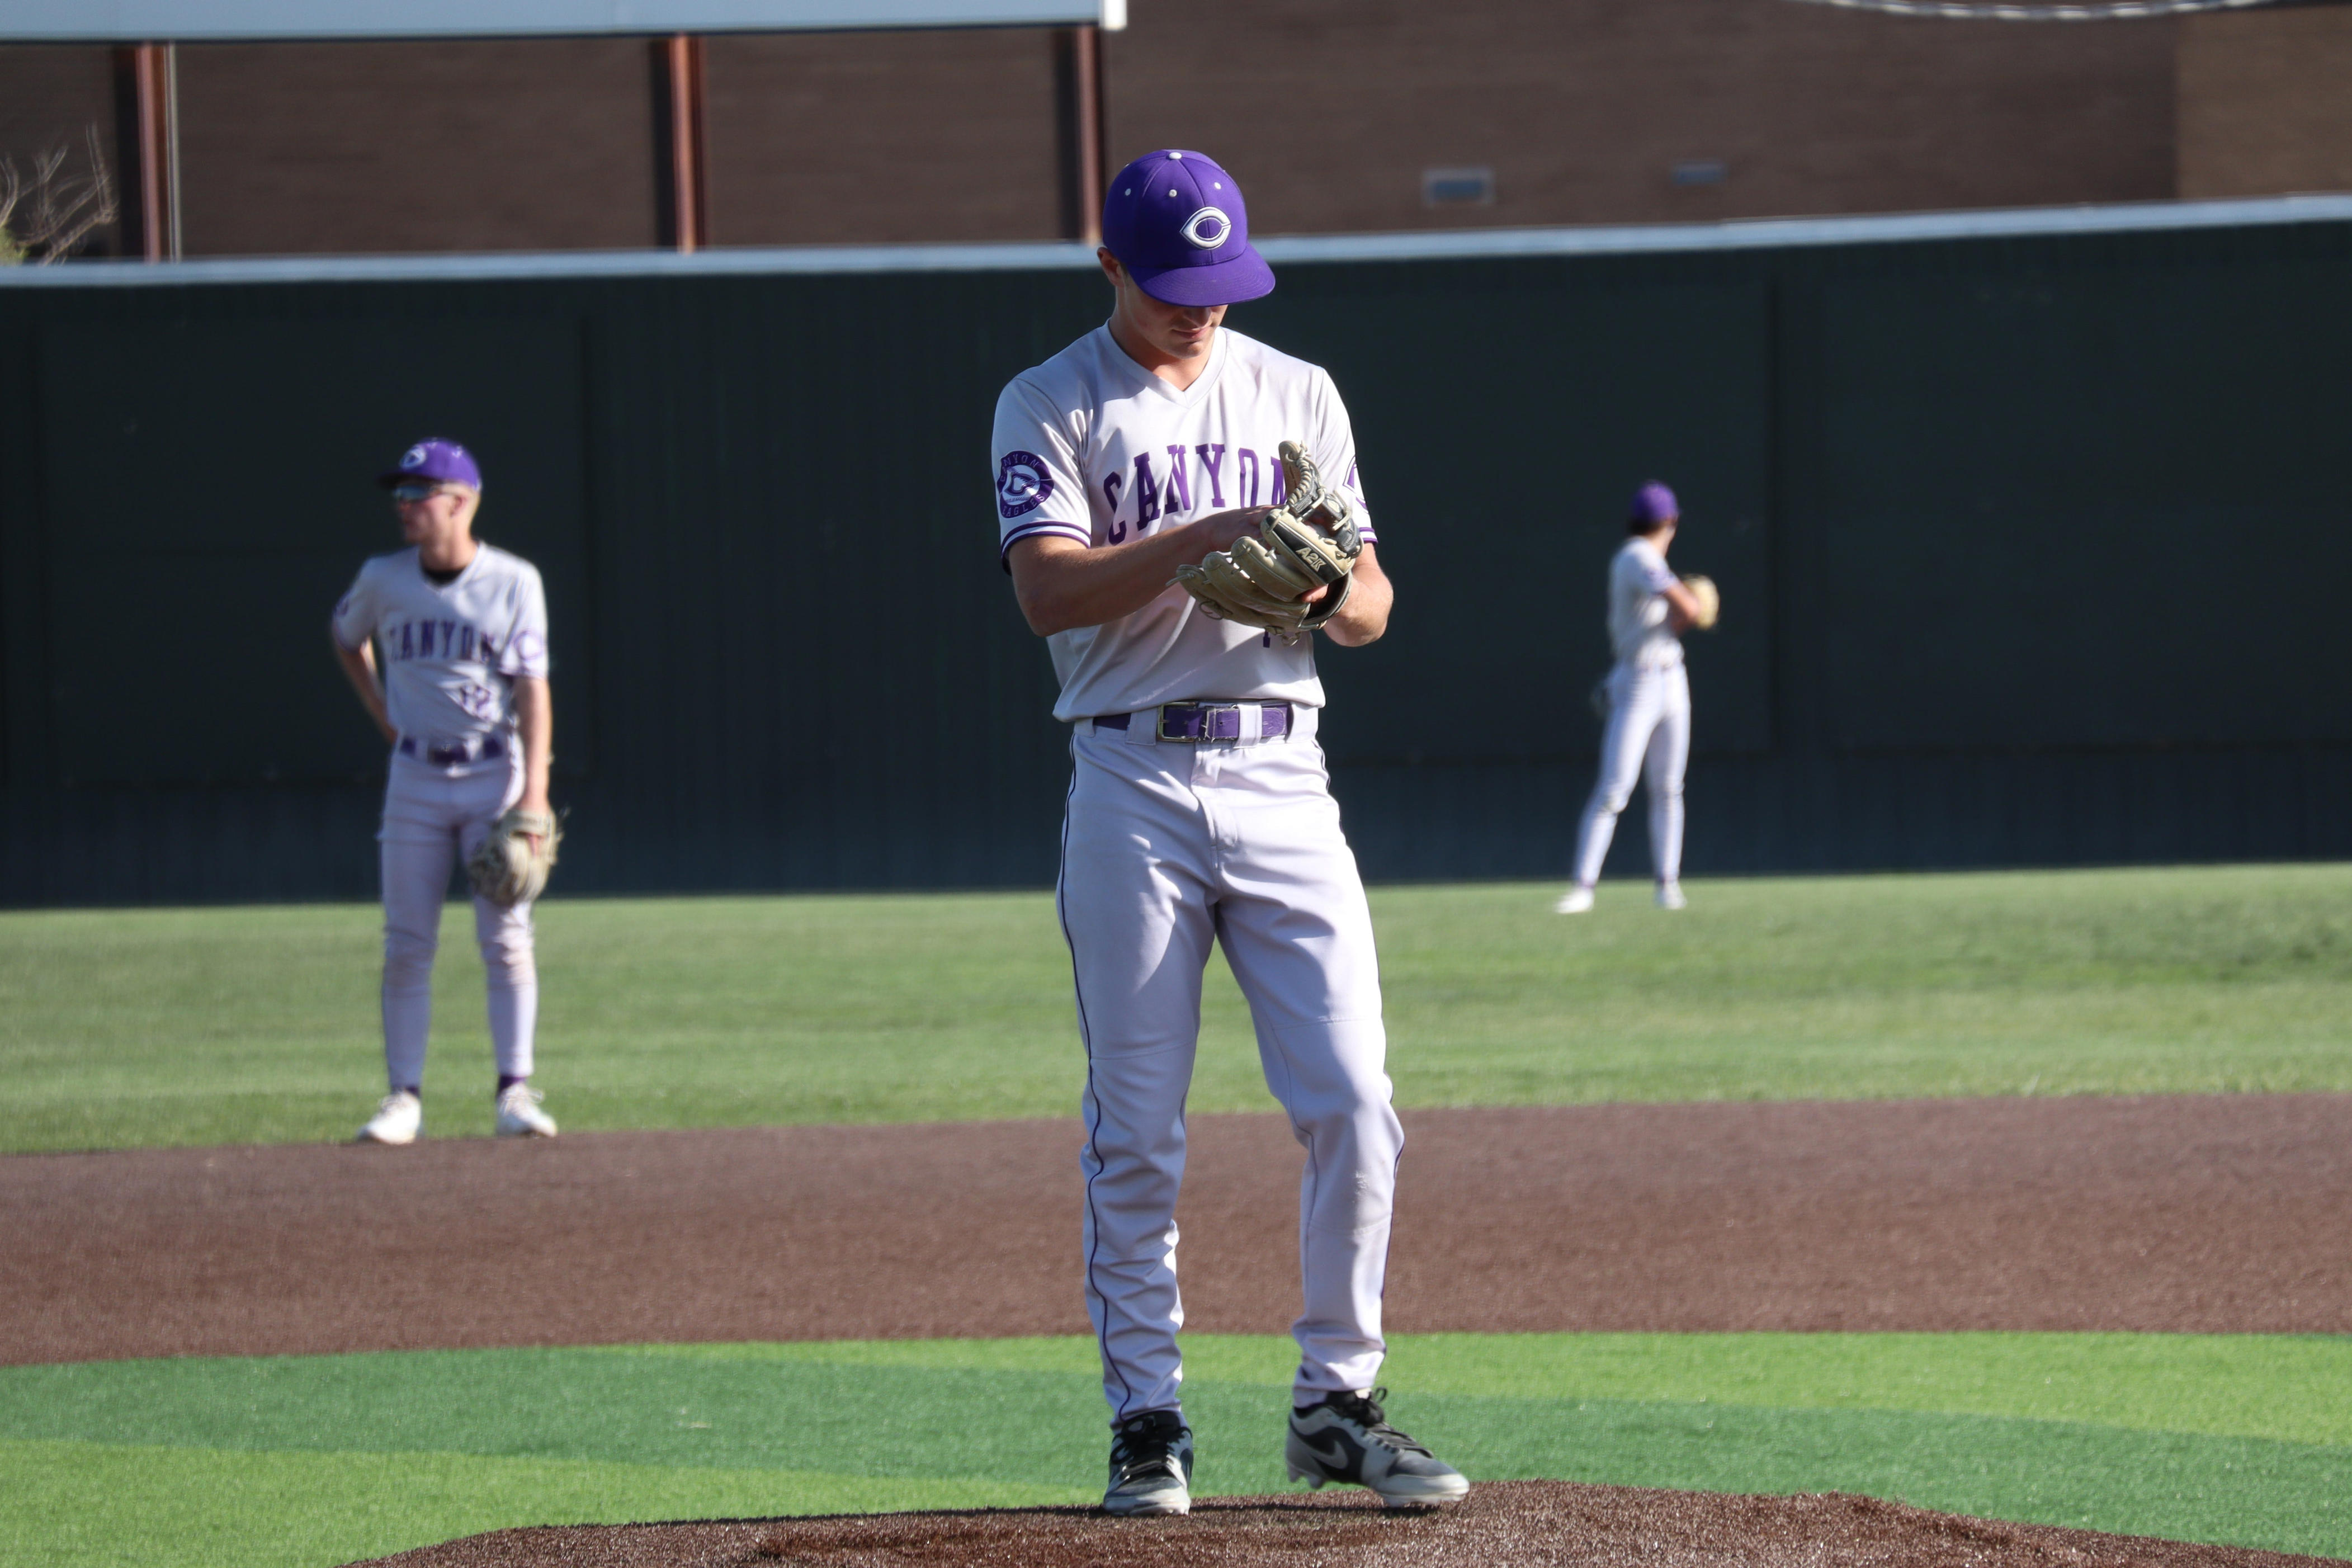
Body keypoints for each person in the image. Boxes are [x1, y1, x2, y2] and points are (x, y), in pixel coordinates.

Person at [993, 149, 1468, 1517]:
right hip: (1131, 783)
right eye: (1172, 285)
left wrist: (1319, 589)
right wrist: (1200, 535)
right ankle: (1146, 1418)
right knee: (1138, 1131)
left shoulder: (1294, 388)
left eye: (1218, 283)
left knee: (1357, 1105)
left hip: (1281, 773)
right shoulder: (1048, 400)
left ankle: (1336, 1402)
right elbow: (1045, 592)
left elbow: (1372, 601)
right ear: (1109, 269)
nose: (1199, 308)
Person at [330, 438, 558, 1144]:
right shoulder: (383, 578)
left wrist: (536, 796)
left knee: (507, 939)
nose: (403, 505)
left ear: (460, 502)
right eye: (399, 493)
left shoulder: (515, 580)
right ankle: (403, 1097)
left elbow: (533, 692)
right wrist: (383, 715)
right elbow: (346, 636)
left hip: (495, 772)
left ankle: (514, 1092)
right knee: (406, 943)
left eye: (417, 492)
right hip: (416, 778)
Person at [1556, 482, 1707, 914]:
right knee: (1616, 788)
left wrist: (1682, 613)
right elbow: (1690, 609)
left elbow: (1672, 619)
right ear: (1670, 522)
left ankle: (1667, 885)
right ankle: (1584, 887)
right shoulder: (1639, 557)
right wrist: (1693, 605)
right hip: (1640, 681)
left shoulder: (1642, 559)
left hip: (1669, 676)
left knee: (1667, 787)